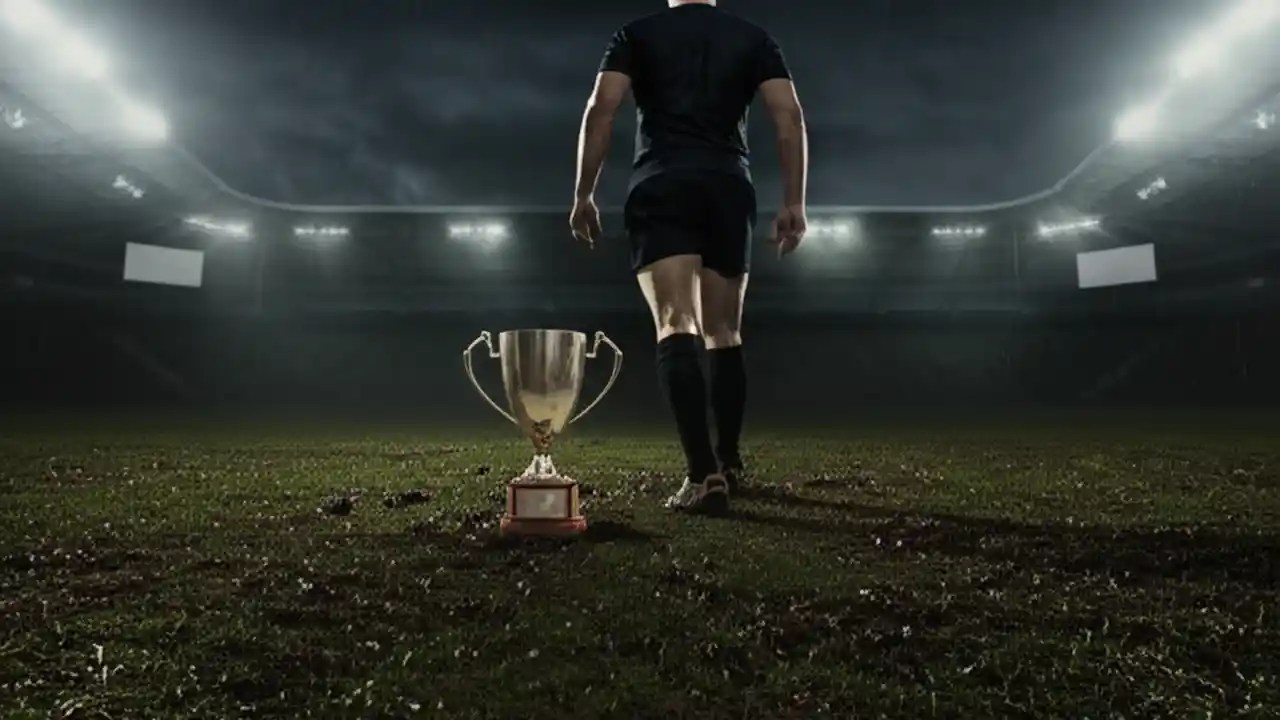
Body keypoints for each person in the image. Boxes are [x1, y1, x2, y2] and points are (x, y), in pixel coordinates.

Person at [569, 0, 808, 514]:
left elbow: (601, 109)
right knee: (724, 330)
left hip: (663, 183)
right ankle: (730, 463)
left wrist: (584, 193)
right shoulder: (753, 38)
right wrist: (794, 202)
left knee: (676, 320)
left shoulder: (635, 33)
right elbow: (789, 117)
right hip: (727, 185)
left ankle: (702, 476)